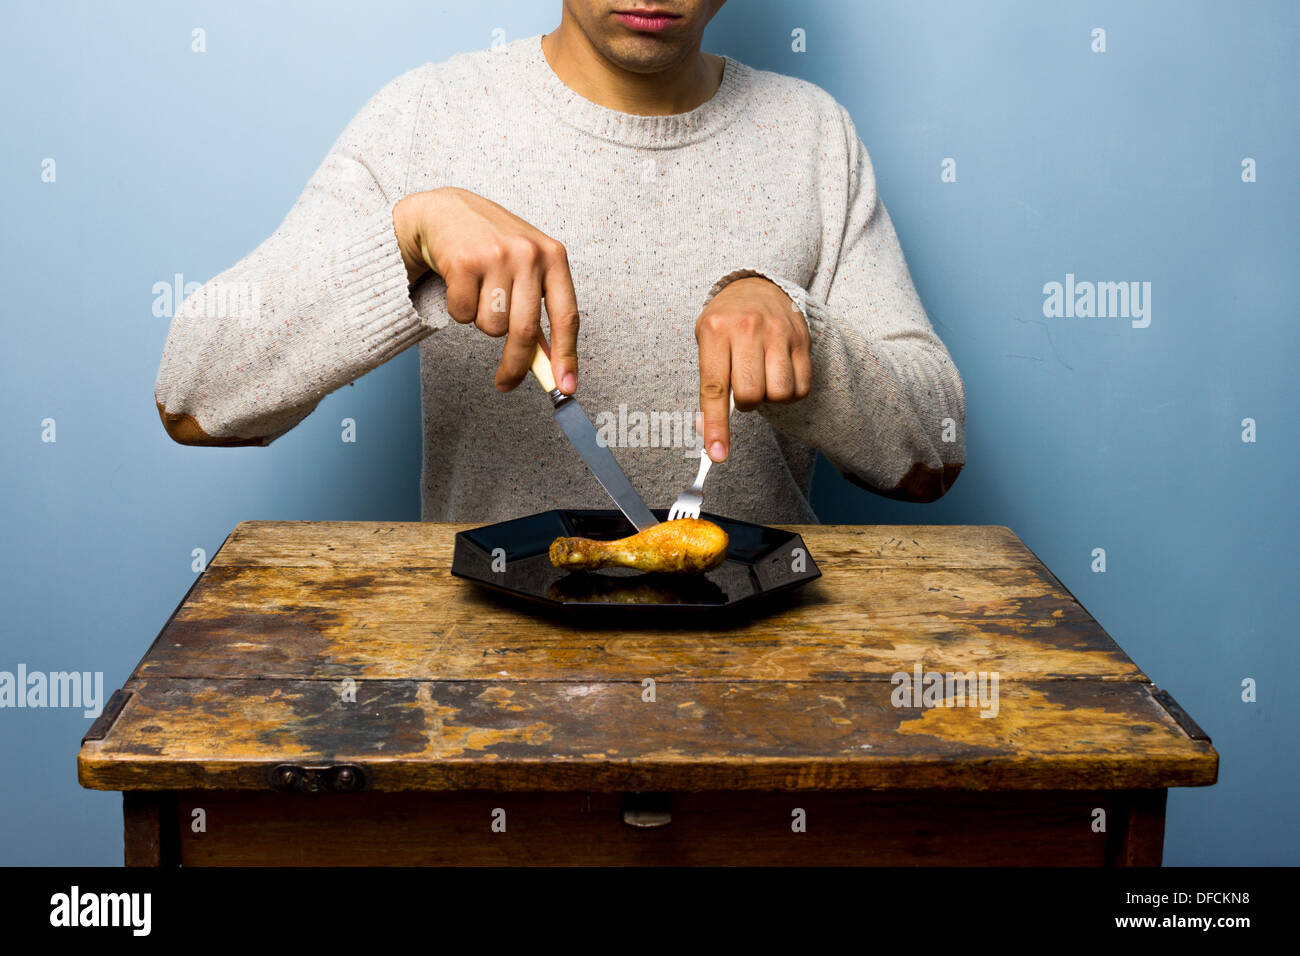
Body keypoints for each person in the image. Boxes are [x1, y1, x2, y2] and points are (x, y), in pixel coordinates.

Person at [153, 1, 966, 524]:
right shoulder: (424, 118)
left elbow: (937, 450)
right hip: (486, 701)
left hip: (755, 700)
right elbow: (193, 399)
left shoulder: (812, 134)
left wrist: (806, 332)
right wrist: (406, 238)